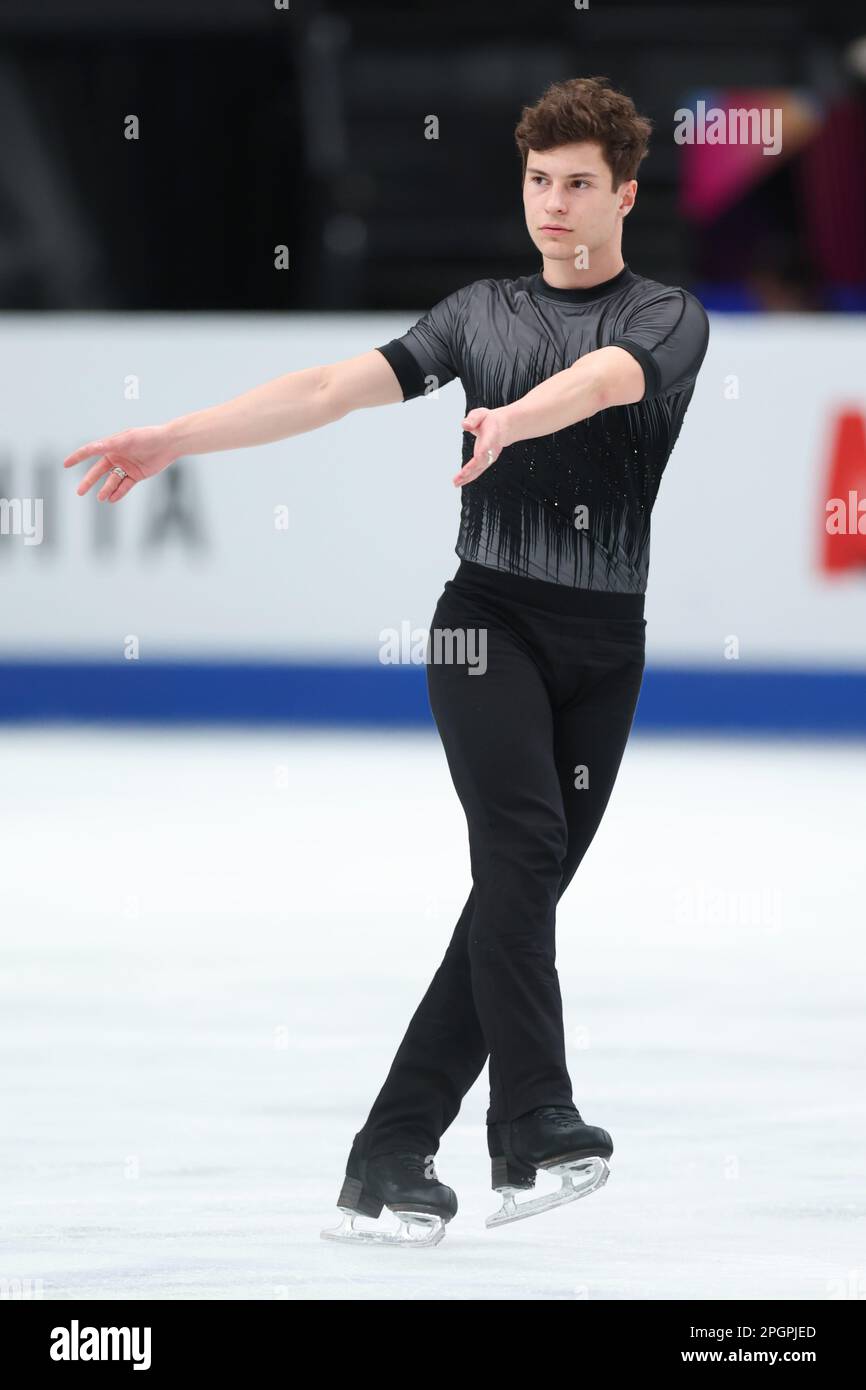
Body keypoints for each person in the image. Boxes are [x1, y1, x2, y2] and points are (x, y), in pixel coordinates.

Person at [63, 76, 710, 1247]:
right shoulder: (476, 314)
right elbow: (324, 389)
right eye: (536, 182)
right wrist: (177, 436)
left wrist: (519, 417)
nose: (552, 205)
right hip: (483, 626)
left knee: (513, 899)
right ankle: (534, 1127)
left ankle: (387, 1155)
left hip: (607, 647)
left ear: (623, 193)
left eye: (575, 185)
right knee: (521, 850)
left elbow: (611, 381)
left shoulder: (665, 316)